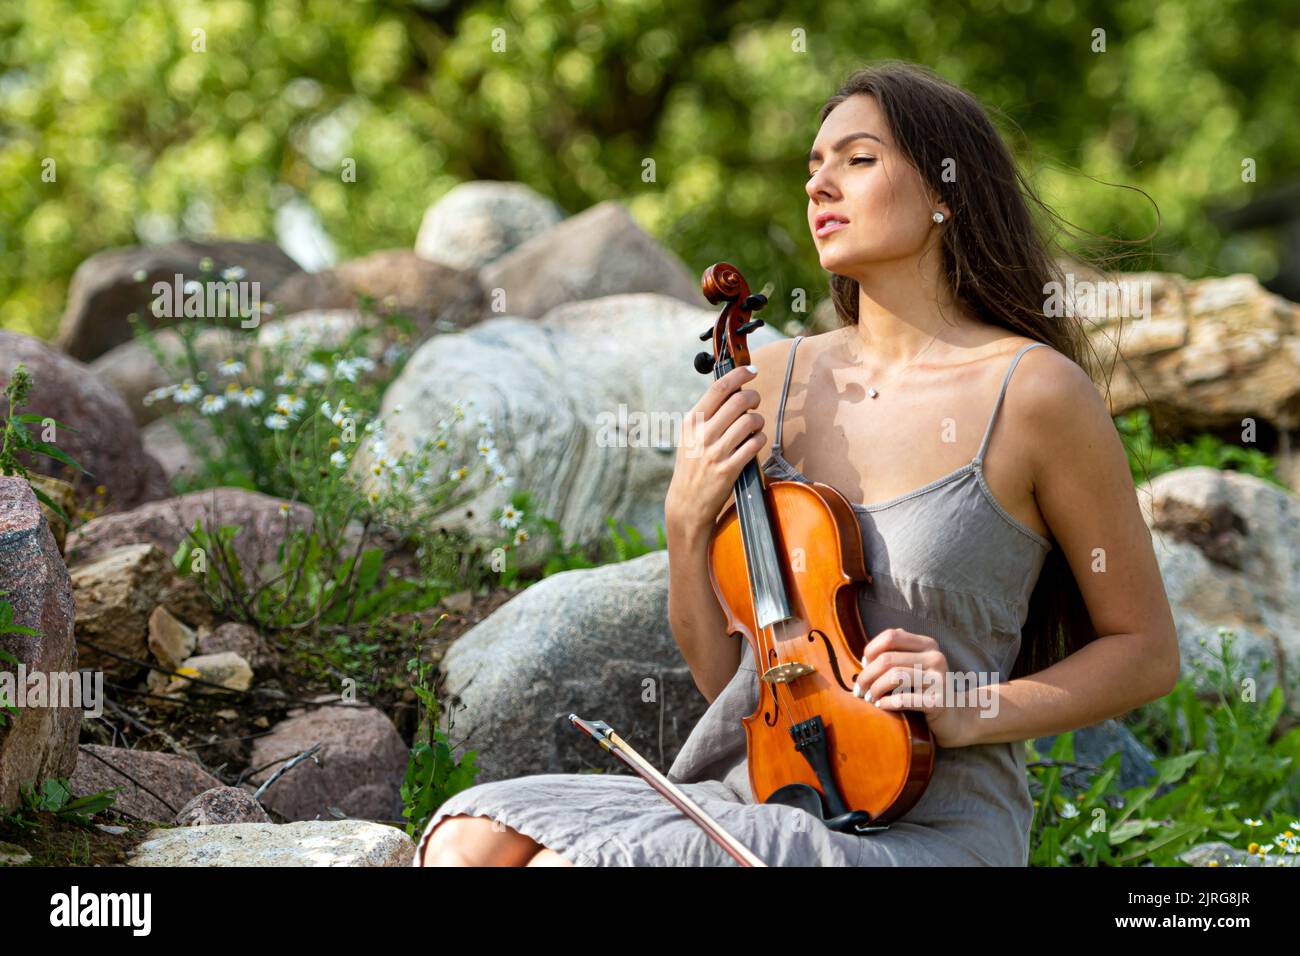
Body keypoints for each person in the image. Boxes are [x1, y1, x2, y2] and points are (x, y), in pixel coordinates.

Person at [415, 61, 1180, 867]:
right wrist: (686, 517)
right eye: (812, 168)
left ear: (946, 190)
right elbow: (731, 685)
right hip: (755, 796)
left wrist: (967, 704)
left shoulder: (1032, 393)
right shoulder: (772, 386)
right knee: (470, 835)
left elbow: (1145, 650)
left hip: (929, 830)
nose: (819, 187)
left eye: (856, 160)